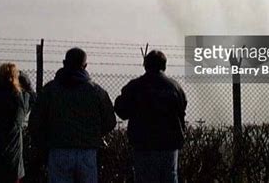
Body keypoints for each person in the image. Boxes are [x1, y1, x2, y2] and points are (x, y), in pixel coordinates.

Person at [29, 47, 116, 183]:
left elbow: (35, 123)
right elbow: (110, 122)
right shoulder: (96, 91)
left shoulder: (50, 90)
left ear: (64, 63)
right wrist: (93, 134)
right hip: (87, 152)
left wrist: (45, 142)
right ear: (85, 65)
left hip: (58, 150)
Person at [114, 50, 187, 183]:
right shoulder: (176, 87)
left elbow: (122, 111)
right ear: (164, 66)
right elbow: (181, 112)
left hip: (143, 144)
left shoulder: (135, 86)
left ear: (145, 65)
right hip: (169, 144)